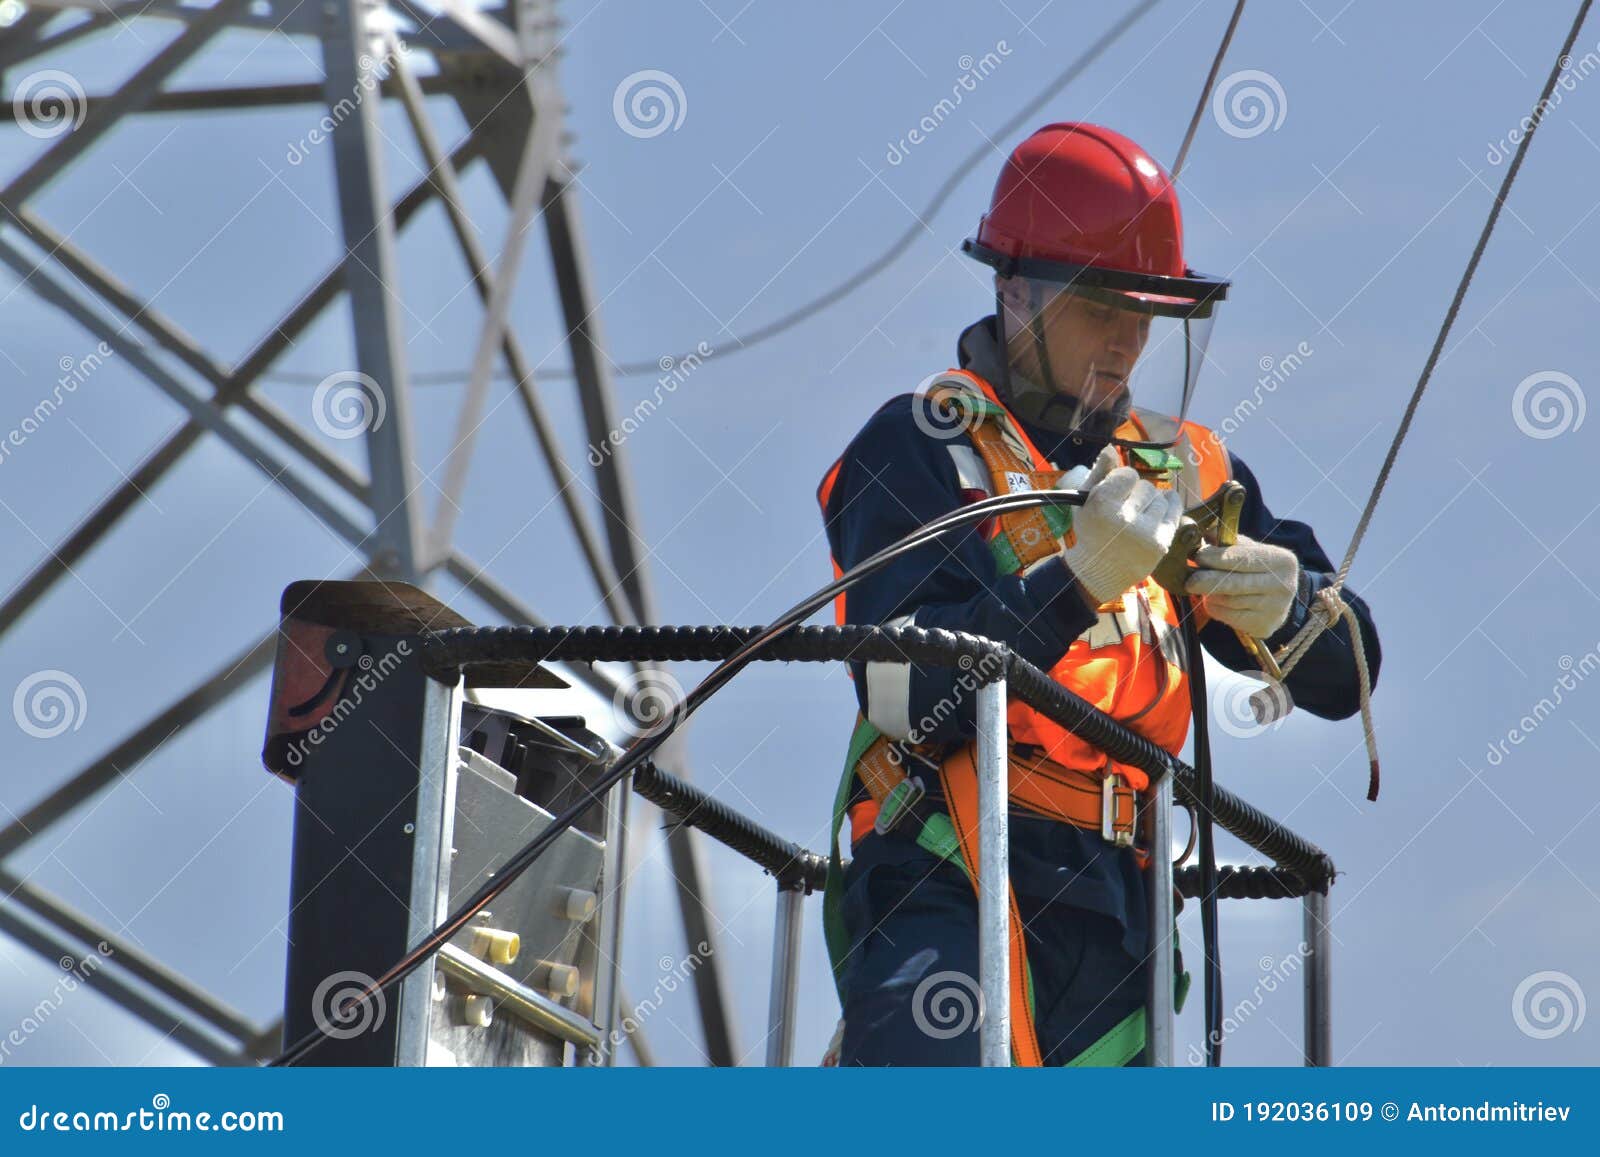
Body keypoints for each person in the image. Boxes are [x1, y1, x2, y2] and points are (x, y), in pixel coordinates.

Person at [815, 122, 1381, 1066]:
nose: (1127, 342)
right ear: (1015, 291)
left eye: (1148, 312)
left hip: (1120, 905)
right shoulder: (919, 447)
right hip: (946, 865)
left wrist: (1290, 607)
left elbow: (1349, 677)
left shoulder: (1190, 472)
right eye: (1099, 307)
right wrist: (1075, 584)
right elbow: (907, 695)